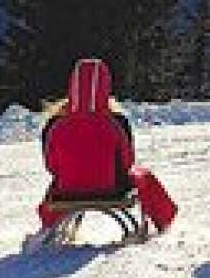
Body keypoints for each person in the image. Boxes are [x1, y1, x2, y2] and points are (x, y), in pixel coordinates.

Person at [39, 58, 176, 234]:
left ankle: (51, 227)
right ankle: (163, 222)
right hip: (113, 189)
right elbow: (127, 162)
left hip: (66, 190)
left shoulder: (55, 124)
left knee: (56, 186)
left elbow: (51, 166)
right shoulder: (116, 122)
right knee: (145, 176)